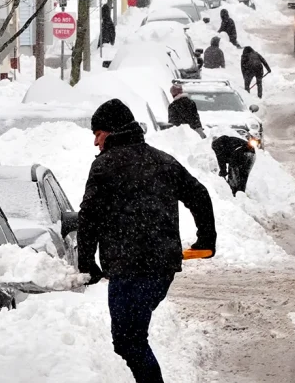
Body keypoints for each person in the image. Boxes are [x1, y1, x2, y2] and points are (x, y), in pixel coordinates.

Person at [78, 99, 217, 383]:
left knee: (128, 341)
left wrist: (87, 263)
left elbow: (88, 217)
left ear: (112, 132)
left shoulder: (105, 166)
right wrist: (206, 239)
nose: (95, 142)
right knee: (132, 338)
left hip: (128, 269)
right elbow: (199, 195)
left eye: (98, 133)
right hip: (161, 269)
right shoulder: (162, 161)